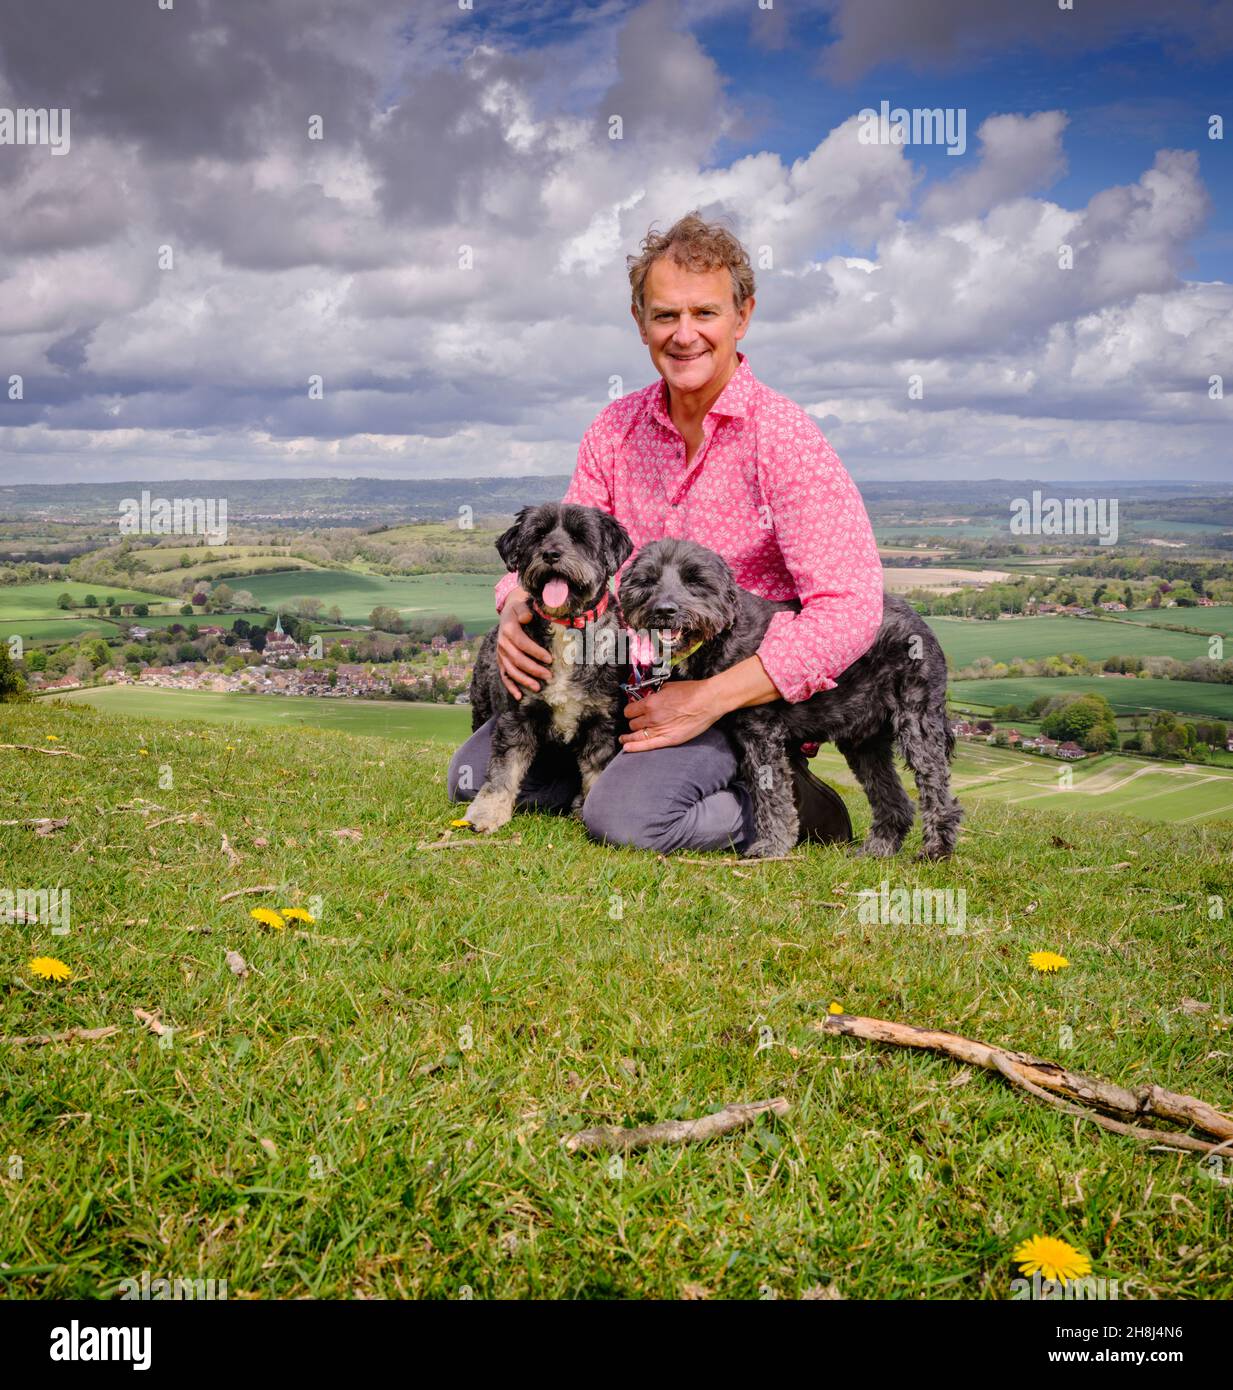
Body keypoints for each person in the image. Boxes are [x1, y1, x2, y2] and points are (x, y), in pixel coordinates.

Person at [449, 212, 883, 853]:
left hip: (741, 701)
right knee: (471, 778)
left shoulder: (787, 439)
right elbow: (566, 555)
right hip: (613, 684)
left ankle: (800, 805)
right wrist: (515, 603)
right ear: (639, 322)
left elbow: (851, 608)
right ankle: (648, 777)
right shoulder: (613, 429)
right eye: (664, 316)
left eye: (704, 314)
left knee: (623, 821)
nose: (684, 336)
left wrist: (707, 698)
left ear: (744, 315)